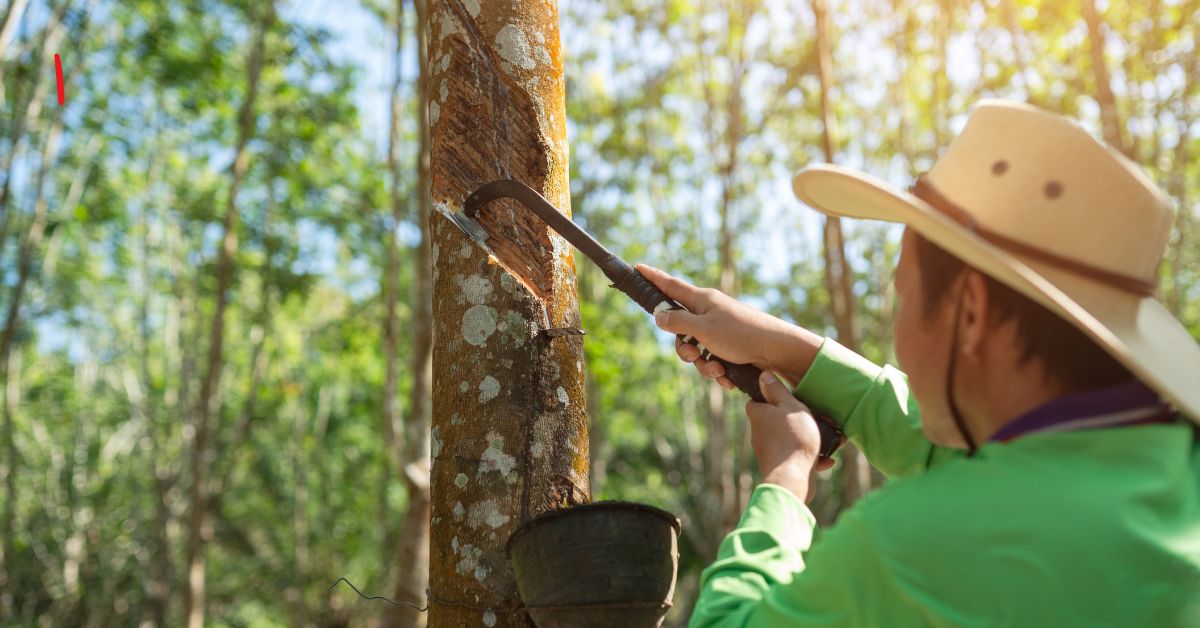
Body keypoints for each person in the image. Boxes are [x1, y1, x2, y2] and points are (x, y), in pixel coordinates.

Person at [638, 100, 1200, 626]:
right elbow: (976, 457)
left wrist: (785, 479)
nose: (901, 326)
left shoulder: (918, 543)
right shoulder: (1172, 471)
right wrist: (781, 347)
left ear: (972, 312)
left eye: (903, 295)